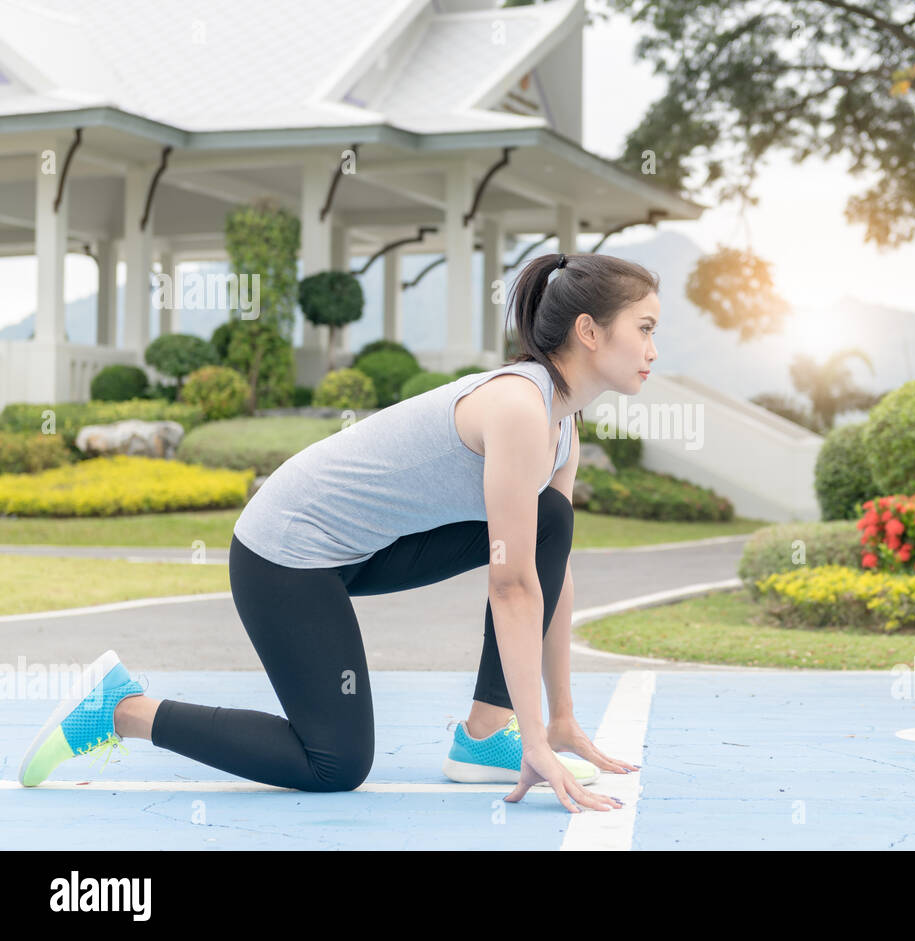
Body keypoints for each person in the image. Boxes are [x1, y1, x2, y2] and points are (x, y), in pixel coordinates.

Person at [19, 250, 661, 815]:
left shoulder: (561, 419)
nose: (654, 351)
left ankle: (485, 735)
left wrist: (563, 718)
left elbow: (550, 569)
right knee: (334, 764)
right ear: (589, 331)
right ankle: (122, 709)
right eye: (645, 329)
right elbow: (512, 586)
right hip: (284, 554)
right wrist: (539, 739)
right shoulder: (521, 407)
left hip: (361, 550)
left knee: (553, 522)